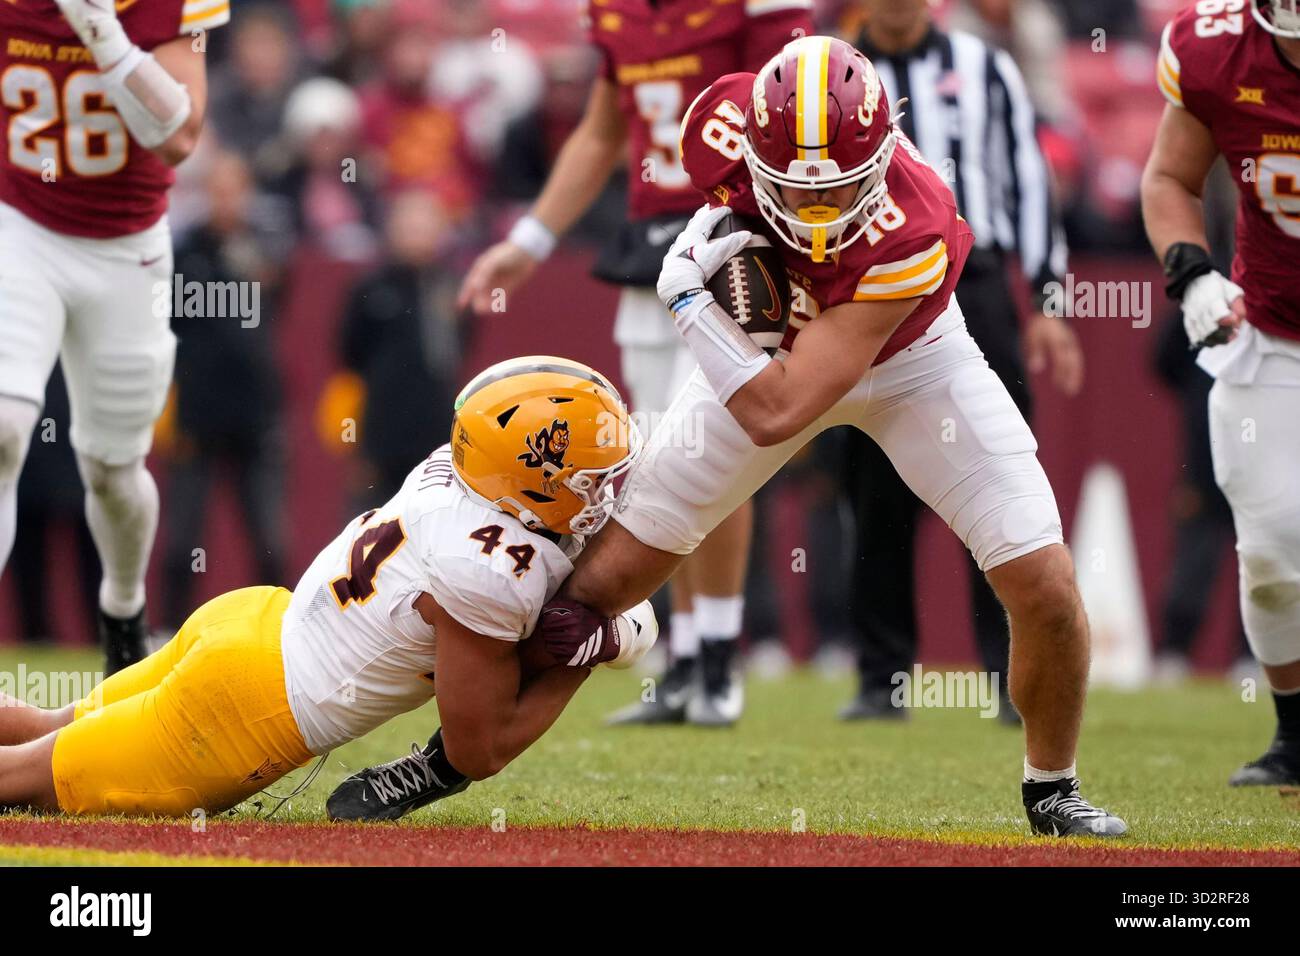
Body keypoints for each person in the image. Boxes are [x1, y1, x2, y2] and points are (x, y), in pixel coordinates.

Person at [359, 35, 1129, 838]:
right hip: (768, 350)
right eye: (794, 192)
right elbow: (761, 359)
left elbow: (779, 414)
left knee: (1043, 581)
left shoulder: (915, 225)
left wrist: (690, 298)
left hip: (909, 363)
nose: (815, 213)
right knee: (592, 594)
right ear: (751, 150)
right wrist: (710, 258)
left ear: (884, 150)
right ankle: (446, 756)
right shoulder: (715, 129)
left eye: (837, 191)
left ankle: (1054, 788)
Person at [0, 357, 656, 820]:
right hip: (243, 712)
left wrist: (609, 628)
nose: (602, 493)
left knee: (45, 726)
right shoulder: (488, 571)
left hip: (249, 623)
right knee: (19, 776)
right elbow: (475, 750)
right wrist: (591, 648)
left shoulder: (457, 470)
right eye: (587, 478)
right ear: (531, 475)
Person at [457, 0, 814, 728]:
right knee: (656, 460)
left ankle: (717, 659)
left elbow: (793, 111)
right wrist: (528, 240)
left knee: (715, 449)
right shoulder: (615, 13)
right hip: (653, 246)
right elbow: (602, 133)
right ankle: (686, 661)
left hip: (732, 241)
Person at [837, 0, 1081, 723]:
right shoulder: (831, 71)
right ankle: (881, 679)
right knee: (873, 484)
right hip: (865, 284)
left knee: (997, 475)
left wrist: (1047, 299)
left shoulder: (985, 67)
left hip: (972, 277)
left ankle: (1010, 675)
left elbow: (1027, 180)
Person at [0, 0, 226, 673]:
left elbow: (179, 137)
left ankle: (123, 609)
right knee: (5, 425)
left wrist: (99, 26)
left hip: (127, 249)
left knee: (112, 469)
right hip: (20, 226)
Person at [1140, 0, 1300, 786]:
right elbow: (1169, 176)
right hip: (1272, 335)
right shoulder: (1217, 51)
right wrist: (1191, 270)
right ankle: (1296, 737)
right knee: (1271, 555)